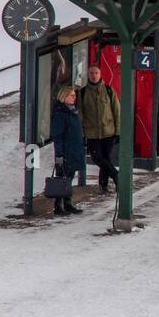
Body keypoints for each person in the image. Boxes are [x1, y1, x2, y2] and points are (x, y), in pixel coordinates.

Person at [78, 65, 121, 194]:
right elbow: (80, 113)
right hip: (92, 132)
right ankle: (115, 174)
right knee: (97, 158)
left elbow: (117, 111)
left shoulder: (108, 90)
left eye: (96, 72)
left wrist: (117, 131)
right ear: (88, 75)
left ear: (100, 74)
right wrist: (81, 132)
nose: (94, 75)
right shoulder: (83, 92)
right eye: (91, 73)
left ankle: (103, 185)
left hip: (108, 131)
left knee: (106, 158)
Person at [50, 86, 85, 216]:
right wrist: (59, 153)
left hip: (74, 148)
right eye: (71, 95)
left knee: (69, 177)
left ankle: (67, 202)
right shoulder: (60, 114)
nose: (74, 98)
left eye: (74, 95)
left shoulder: (72, 111)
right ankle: (58, 205)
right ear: (64, 97)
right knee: (63, 177)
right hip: (66, 150)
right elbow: (58, 135)